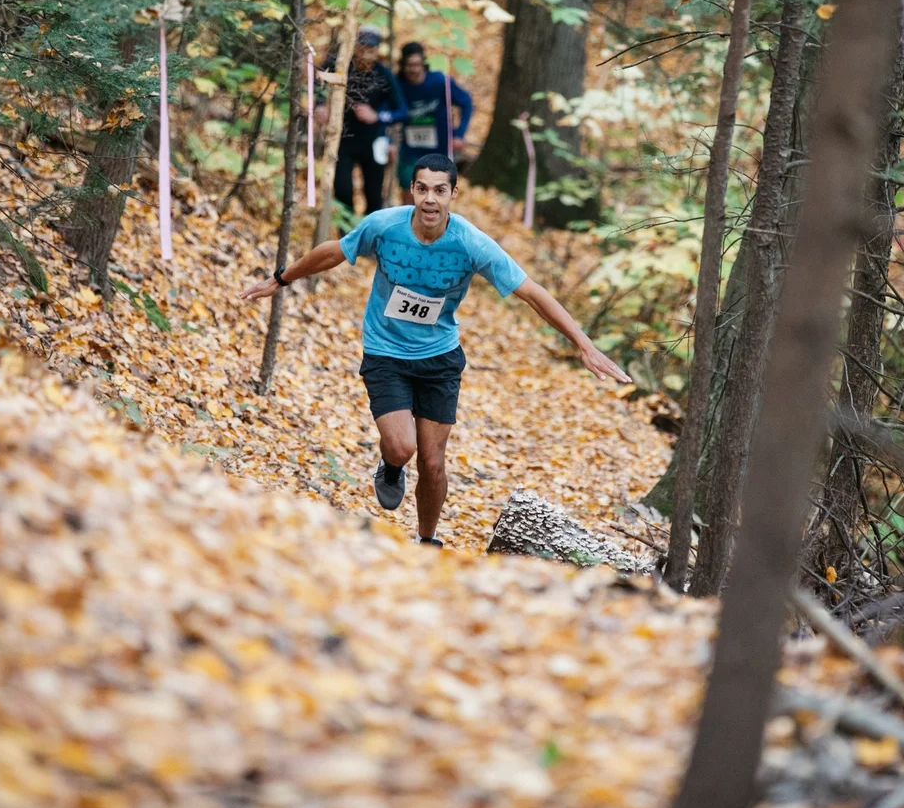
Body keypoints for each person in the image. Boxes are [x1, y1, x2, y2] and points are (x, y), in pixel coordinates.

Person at [239, 153, 630, 546]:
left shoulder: (470, 242)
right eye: (422, 188)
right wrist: (282, 279)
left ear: (453, 194)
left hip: (439, 358)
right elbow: (335, 251)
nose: (430, 199)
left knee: (432, 462)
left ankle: (427, 541)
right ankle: (391, 467)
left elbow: (531, 293)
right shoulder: (384, 226)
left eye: (439, 190)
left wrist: (584, 344)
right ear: (412, 190)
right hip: (386, 350)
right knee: (401, 446)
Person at [315, 25, 407, 216]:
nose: (365, 54)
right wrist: (321, 104)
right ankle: (347, 236)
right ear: (355, 47)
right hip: (343, 139)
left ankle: (369, 236)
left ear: (377, 51)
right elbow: (318, 77)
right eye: (361, 48)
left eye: (370, 49)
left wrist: (377, 116)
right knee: (342, 189)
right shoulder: (342, 66)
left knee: (373, 195)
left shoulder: (383, 74)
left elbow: (402, 111)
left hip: (374, 141)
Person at [395, 41, 474, 204]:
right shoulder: (397, 85)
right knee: (409, 195)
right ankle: (409, 228)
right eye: (409, 65)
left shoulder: (440, 82)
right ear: (403, 65)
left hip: (439, 151)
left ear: (423, 63)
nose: (414, 69)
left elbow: (466, 102)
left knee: (436, 197)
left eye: (417, 64)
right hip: (410, 151)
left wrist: (459, 134)